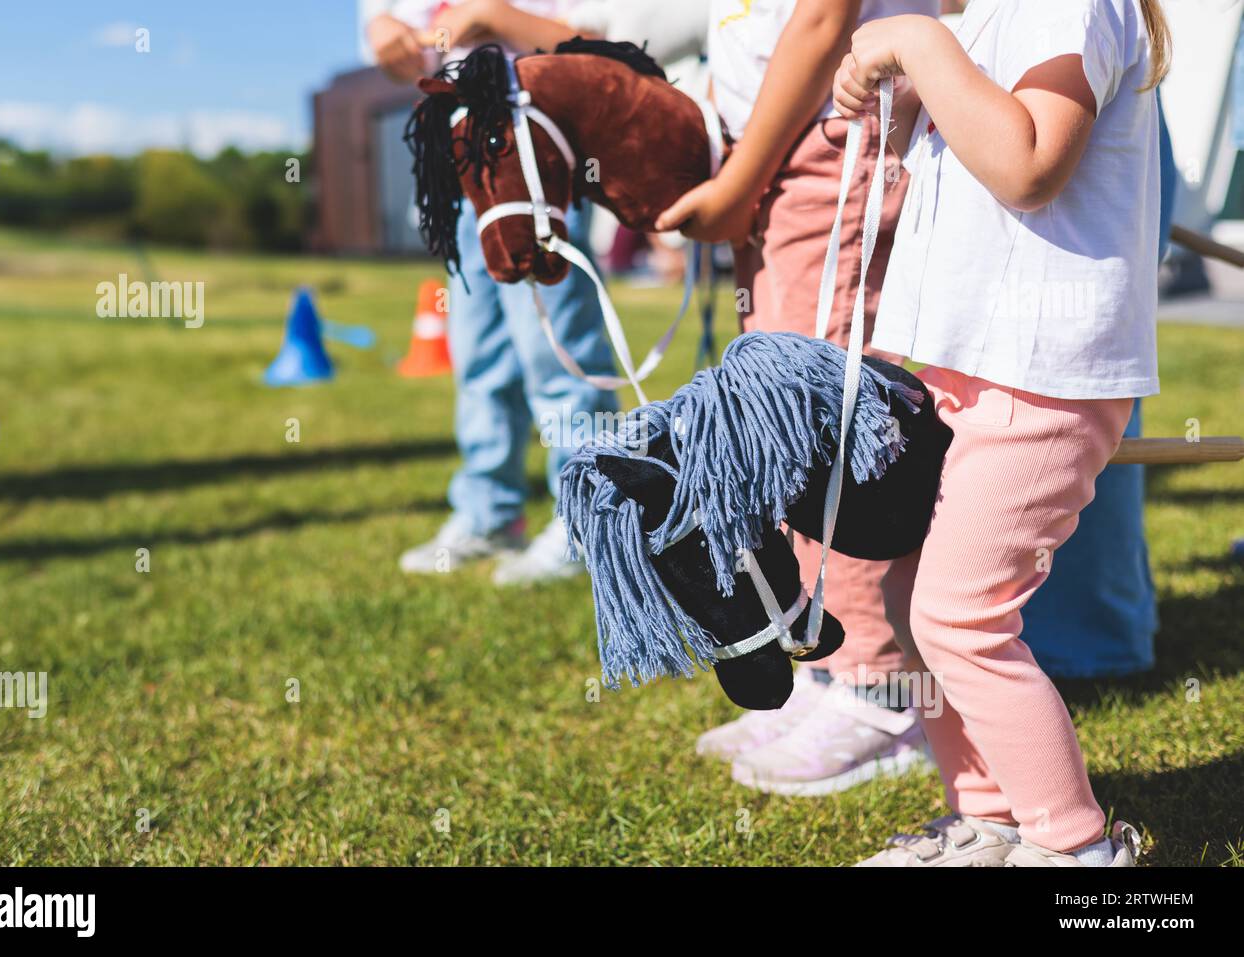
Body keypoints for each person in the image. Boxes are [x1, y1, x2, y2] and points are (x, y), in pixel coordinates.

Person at [829, 0, 1165, 865]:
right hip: (963, 365)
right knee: (911, 597)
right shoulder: (979, 18)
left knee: (961, 615)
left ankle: (1078, 846)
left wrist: (917, 43)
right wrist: (907, 106)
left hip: (1041, 370)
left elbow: (1027, 166)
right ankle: (990, 817)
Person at [656, 0, 941, 797]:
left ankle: (883, 695)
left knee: (831, 415)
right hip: (783, 154)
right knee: (782, 423)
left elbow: (822, 17)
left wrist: (737, 182)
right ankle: (825, 665)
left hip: (829, 143)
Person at [360, 0, 621, 585]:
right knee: (480, 358)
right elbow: (398, 41)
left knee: (558, 356)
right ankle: (489, 512)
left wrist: (498, 19)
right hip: (460, 168)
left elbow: (600, 44)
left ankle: (592, 520)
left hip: (538, 167)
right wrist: (383, 34)